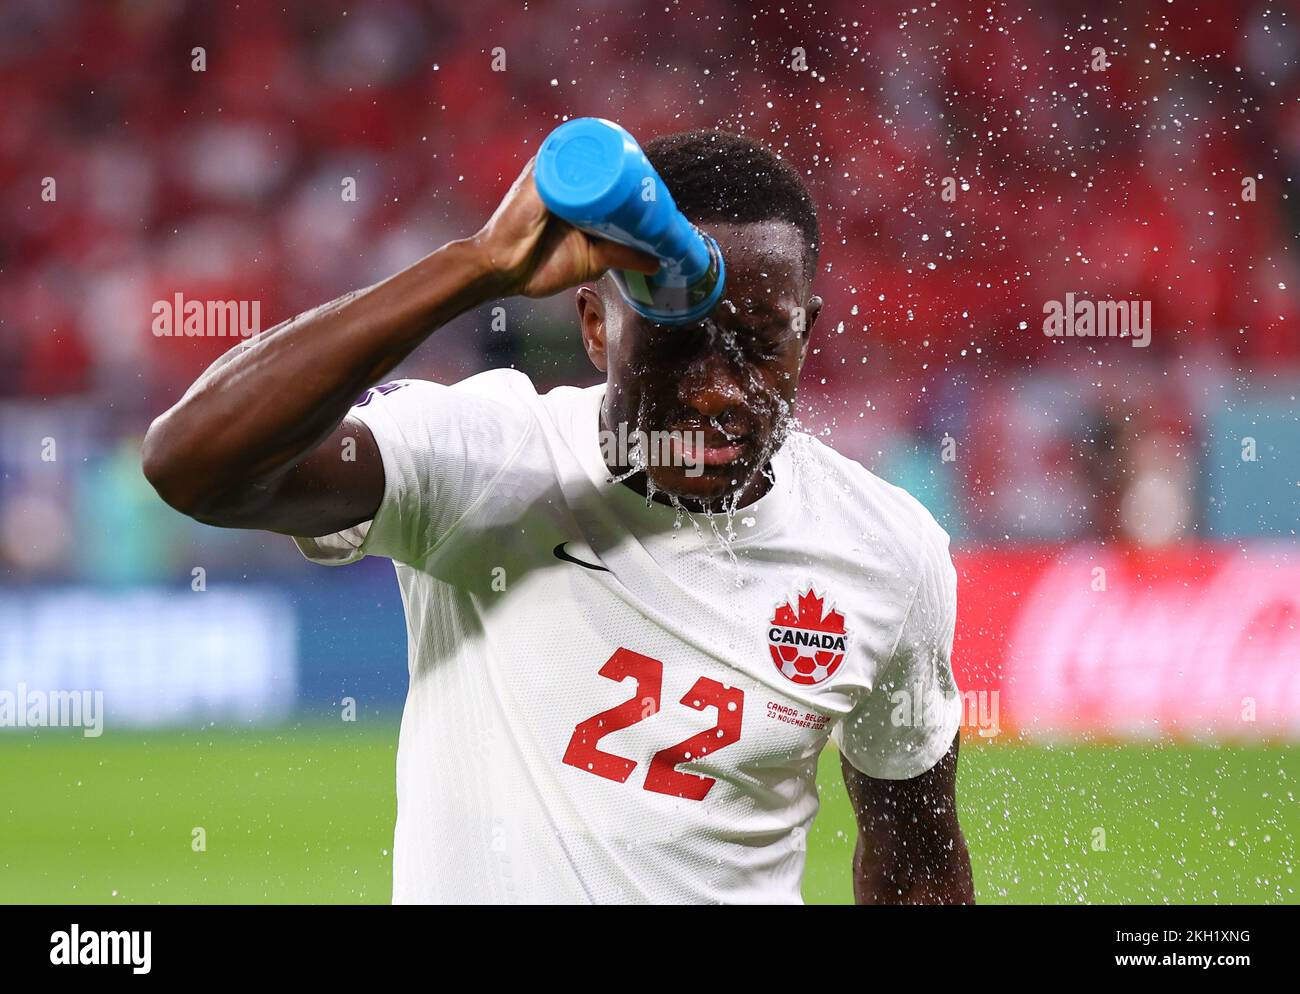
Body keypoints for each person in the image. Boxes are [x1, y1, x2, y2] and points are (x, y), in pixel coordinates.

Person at [143, 128, 973, 905]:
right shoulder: (483, 458)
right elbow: (194, 465)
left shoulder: (886, 553)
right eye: (677, 344)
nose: (718, 392)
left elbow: (917, 866)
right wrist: (476, 267)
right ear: (596, 326)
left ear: (807, 331)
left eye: (761, 345)